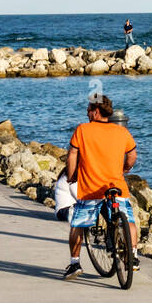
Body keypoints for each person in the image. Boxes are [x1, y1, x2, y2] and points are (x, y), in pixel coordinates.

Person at [62, 95, 138, 281]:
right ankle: (134, 257)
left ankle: (74, 263)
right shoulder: (121, 131)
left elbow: (72, 155)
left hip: (90, 189)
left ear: (96, 112)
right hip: (116, 186)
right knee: (128, 220)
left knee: (78, 225)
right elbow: (132, 155)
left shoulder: (82, 130)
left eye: (88, 109)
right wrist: (124, 169)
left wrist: (72, 177)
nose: (87, 113)